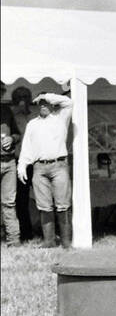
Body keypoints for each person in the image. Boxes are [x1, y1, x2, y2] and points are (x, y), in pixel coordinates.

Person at [17, 92, 72, 249]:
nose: (43, 105)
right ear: (36, 105)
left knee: (63, 205)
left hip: (59, 166)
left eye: (46, 102)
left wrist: (46, 95)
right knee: (44, 206)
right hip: (39, 168)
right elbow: (26, 147)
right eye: (40, 103)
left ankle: (66, 242)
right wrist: (22, 165)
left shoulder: (61, 118)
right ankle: (49, 241)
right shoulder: (32, 124)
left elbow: (69, 102)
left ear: (52, 104)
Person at [8, 86, 36, 240]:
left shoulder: (34, 116)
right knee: (21, 199)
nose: (22, 100)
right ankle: (25, 233)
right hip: (18, 160)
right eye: (19, 97)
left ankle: (48, 232)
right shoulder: (11, 116)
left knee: (42, 196)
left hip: (34, 160)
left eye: (25, 97)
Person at [1, 105, 20, 245]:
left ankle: (13, 240)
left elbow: (17, 134)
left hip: (9, 162)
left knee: (9, 202)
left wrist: (12, 139)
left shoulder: (6, 110)